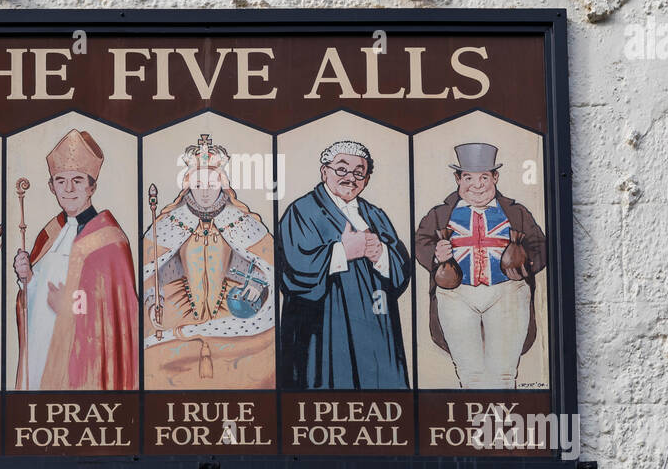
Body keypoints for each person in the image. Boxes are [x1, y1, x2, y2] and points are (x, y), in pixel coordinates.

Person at [141, 133, 274, 389]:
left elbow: (265, 267)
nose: (205, 192)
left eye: (211, 184)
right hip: (179, 315)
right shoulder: (170, 224)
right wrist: (151, 301)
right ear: (188, 184)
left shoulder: (242, 222)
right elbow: (154, 273)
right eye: (199, 184)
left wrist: (257, 285)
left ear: (222, 184)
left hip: (233, 314)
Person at [278, 140, 411, 389]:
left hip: (376, 328)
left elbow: (402, 267)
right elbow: (292, 270)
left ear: (367, 178)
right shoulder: (302, 211)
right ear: (324, 171)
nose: (350, 177)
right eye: (342, 169)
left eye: (359, 172)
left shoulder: (375, 214)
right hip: (324, 331)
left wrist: (381, 255)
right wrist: (342, 252)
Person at [13, 129, 139, 391]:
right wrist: (29, 279)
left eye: (78, 180)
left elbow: (118, 318)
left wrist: (72, 308)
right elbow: (36, 300)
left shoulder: (111, 241)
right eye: (60, 181)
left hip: (82, 364)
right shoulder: (51, 232)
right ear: (51, 187)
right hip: (42, 352)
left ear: (92, 186)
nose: (68, 189)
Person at [414, 143, 547, 389]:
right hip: (456, 295)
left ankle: (503, 423)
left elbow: (540, 245)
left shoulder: (515, 212)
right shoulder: (440, 213)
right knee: (469, 373)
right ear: (458, 178)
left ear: (495, 177)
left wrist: (522, 262)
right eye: (468, 177)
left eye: (484, 177)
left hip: (507, 292)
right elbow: (421, 241)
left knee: (505, 373)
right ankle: (472, 421)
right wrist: (435, 253)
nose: (477, 185)